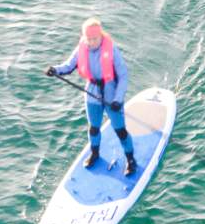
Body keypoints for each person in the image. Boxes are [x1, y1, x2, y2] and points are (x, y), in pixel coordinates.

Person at [46, 17, 137, 177]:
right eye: (89, 39)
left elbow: (123, 75)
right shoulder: (82, 47)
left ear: (101, 36)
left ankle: (130, 160)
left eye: (95, 38)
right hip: (92, 92)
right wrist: (55, 69)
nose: (92, 42)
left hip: (111, 92)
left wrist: (118, 99)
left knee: (120, 130)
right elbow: (68, 66)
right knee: (94, 128)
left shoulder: (111, 49)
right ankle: (95, 154)